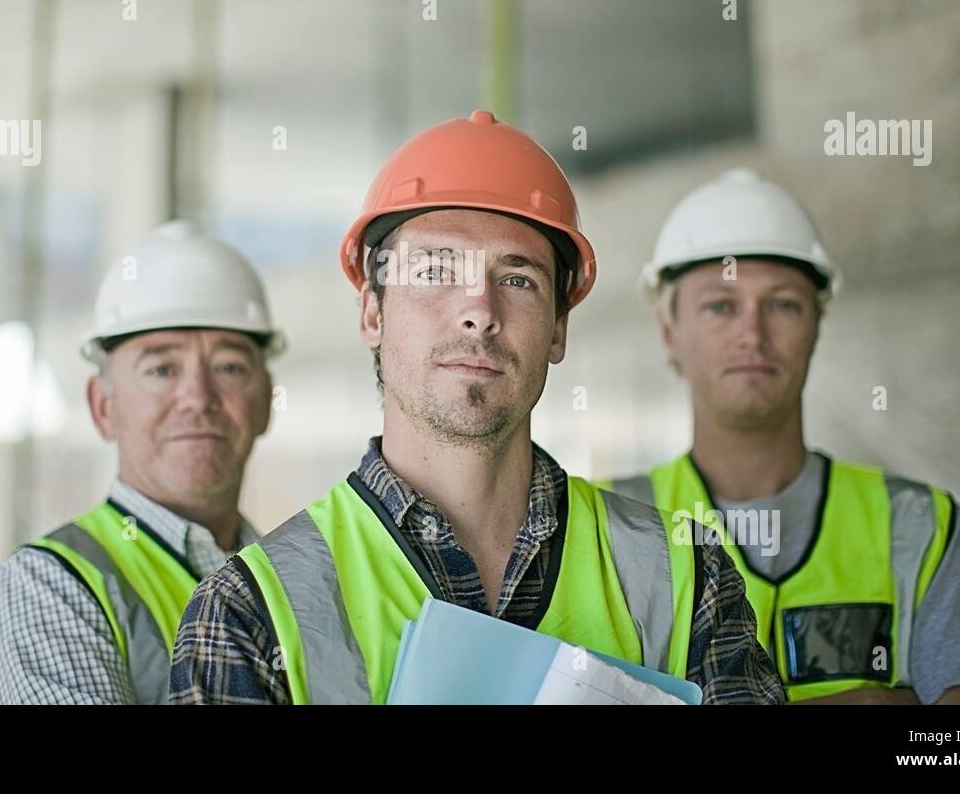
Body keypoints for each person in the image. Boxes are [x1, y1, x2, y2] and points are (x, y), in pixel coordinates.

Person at [170, 111, 784, 704]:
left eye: (517, 280)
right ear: (373, 313)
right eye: (436, 270)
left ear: (557, 331)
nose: (479, 309)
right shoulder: (251, 611)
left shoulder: (684, 574)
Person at [602, 168, 960, 703]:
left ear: (816, 327)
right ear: (669, 332)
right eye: (721, 306)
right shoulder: (608, 524)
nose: (752, 334)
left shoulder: (917, 526)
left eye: (782, 304)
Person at [0, 220, 284, 703]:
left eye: (229, 367)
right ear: (103, 407)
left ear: (264, 402)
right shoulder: (48, 589)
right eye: (161, 368)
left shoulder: (297, 576)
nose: (197, 397)